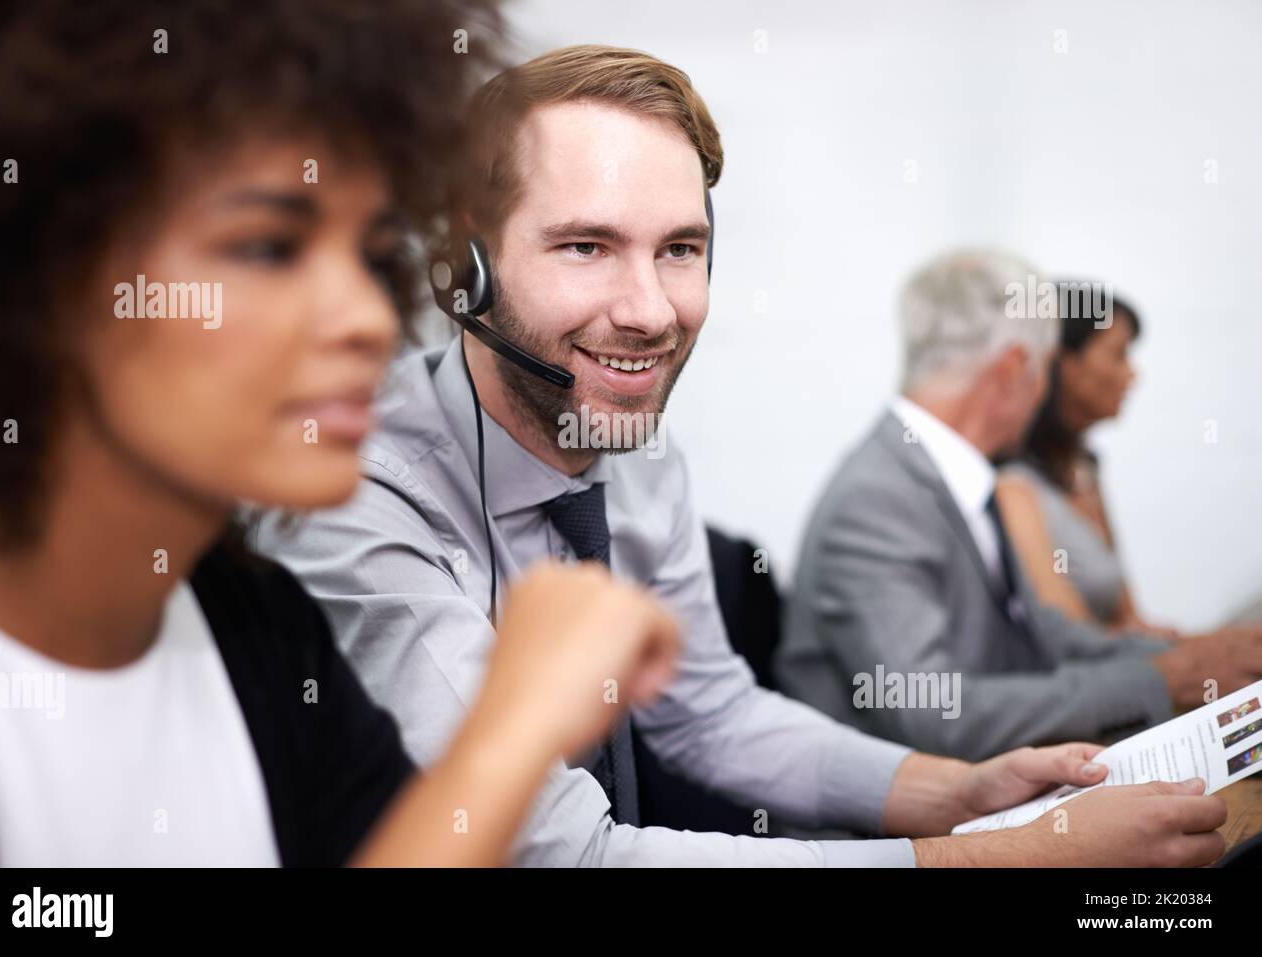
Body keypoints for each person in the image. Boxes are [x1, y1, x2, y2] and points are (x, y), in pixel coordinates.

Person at [256, 46, 1228, 867]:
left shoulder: (629, 440)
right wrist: (984, 856)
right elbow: (562, 854)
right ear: (459, 272)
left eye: (678, 249)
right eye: (586, 247)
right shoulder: (356, 490)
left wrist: (955, 792)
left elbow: (709, 713)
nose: (648, 311)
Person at [0, 0, 681, 868]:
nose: (370, 320)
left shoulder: (261, 628)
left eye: (376, 259)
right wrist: (516, 722)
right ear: (45, 273)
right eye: (268, 247)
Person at [777, 250, 1262, 763]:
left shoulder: (954, 480)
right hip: (888, 826)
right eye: (1047, 369)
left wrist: (1192, 661)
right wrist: (1158, 680)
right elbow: (935, 714)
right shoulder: (877, 501)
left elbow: (1044, 640)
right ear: (1013, 369)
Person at [996, 285, 1174, 634]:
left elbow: (1130, 621)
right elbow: (1072, 644)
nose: (1132, 374)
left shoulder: (1084, 469)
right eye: (1118, 355)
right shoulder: (1010, 484)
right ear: (1061, 363)